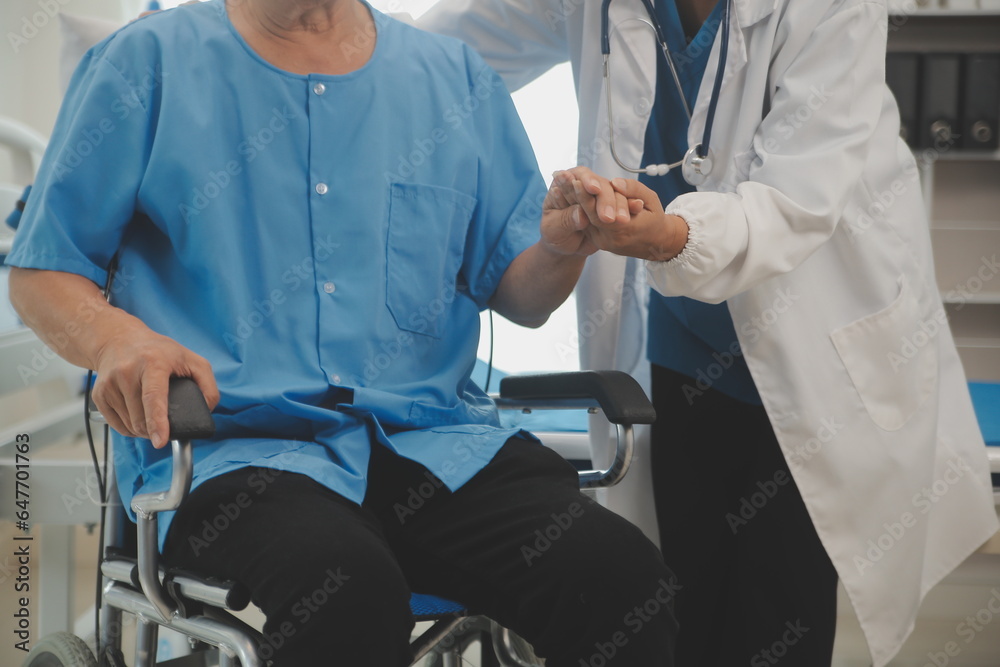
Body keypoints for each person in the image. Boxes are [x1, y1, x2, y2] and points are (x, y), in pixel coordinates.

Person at [4, 1, 677, 664]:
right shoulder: (145, 64)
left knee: (617, 576)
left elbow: (520, 295)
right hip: (234, 453)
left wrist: (565, 246)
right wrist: (115, 338)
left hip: (433, 445)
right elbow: (42, 269)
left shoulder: (453, 78)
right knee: (344, 590)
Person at [417, 0, 1000, 665]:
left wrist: (672, 235)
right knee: (682, 611)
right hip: (679, 344)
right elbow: (441, 51)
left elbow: (796, 203)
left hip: (813, 340)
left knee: (778, 621)